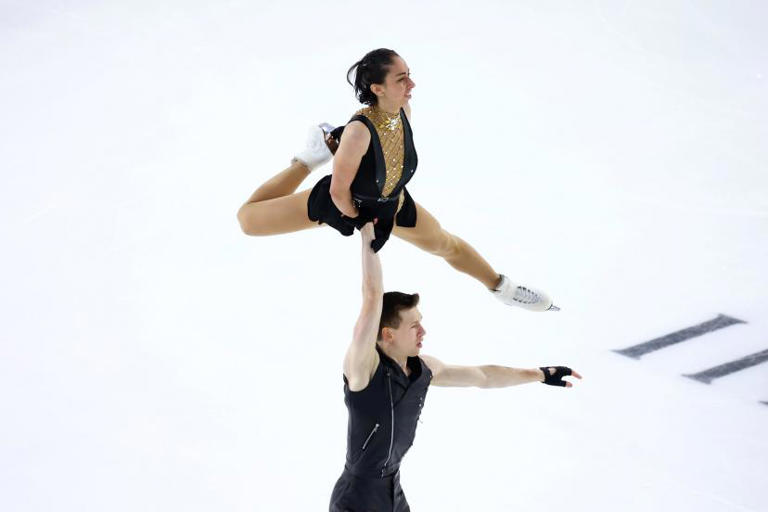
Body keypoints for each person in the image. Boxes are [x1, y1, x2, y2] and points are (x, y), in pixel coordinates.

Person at [237, 48, 558, 312]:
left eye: (409, 75)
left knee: (444, 243)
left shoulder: (403, 108)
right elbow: (338, 191)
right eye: (402, 79)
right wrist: (360, 222)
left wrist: (382, 212)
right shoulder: (358, 131)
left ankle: (504, 288)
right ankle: (309, 159)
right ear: (377, 88)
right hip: (346, 204)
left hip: (391, 201)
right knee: (248, 220)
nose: (412, 84)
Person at [329, 221, 581, 511]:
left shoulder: (423, 369)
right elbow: (372, 297)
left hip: (392, 491)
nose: (423, 332)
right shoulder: (364, 369)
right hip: (358, 497)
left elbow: (482, 376)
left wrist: (539, 374)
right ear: (388, 334)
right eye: (414, 326)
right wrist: (366, 233)